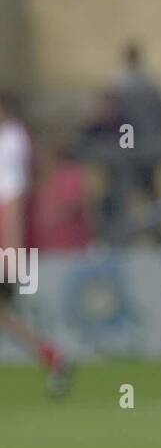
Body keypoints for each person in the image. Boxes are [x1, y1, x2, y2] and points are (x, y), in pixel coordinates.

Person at [0, 91, 73, 394]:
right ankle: (51, 355)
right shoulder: (15, 140)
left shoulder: (10, 140)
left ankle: (51, 355)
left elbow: (13, 198)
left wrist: (12, 249)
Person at [113, 42, 161, 197]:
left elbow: (118, 117)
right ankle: (156, 219)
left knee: (125, 187)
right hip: (150, 141)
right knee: (150, 188)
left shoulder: (120, 84)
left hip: (129, 142)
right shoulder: (151, 83)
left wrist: (125, 143)